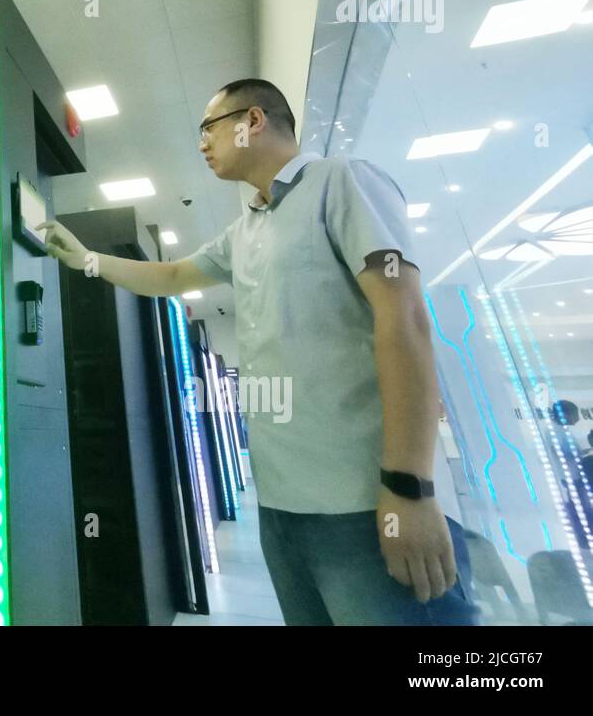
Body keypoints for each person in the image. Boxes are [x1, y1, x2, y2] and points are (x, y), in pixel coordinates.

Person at [39, 78, 478, 626]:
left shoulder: (342, 180)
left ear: (252, 119)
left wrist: (410, 488)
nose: (202, 143)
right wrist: (86, 259)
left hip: (370, 506)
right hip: (283, 513)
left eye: (209, 127)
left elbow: (405, 319)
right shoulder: (245, 229)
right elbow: (171, 276)